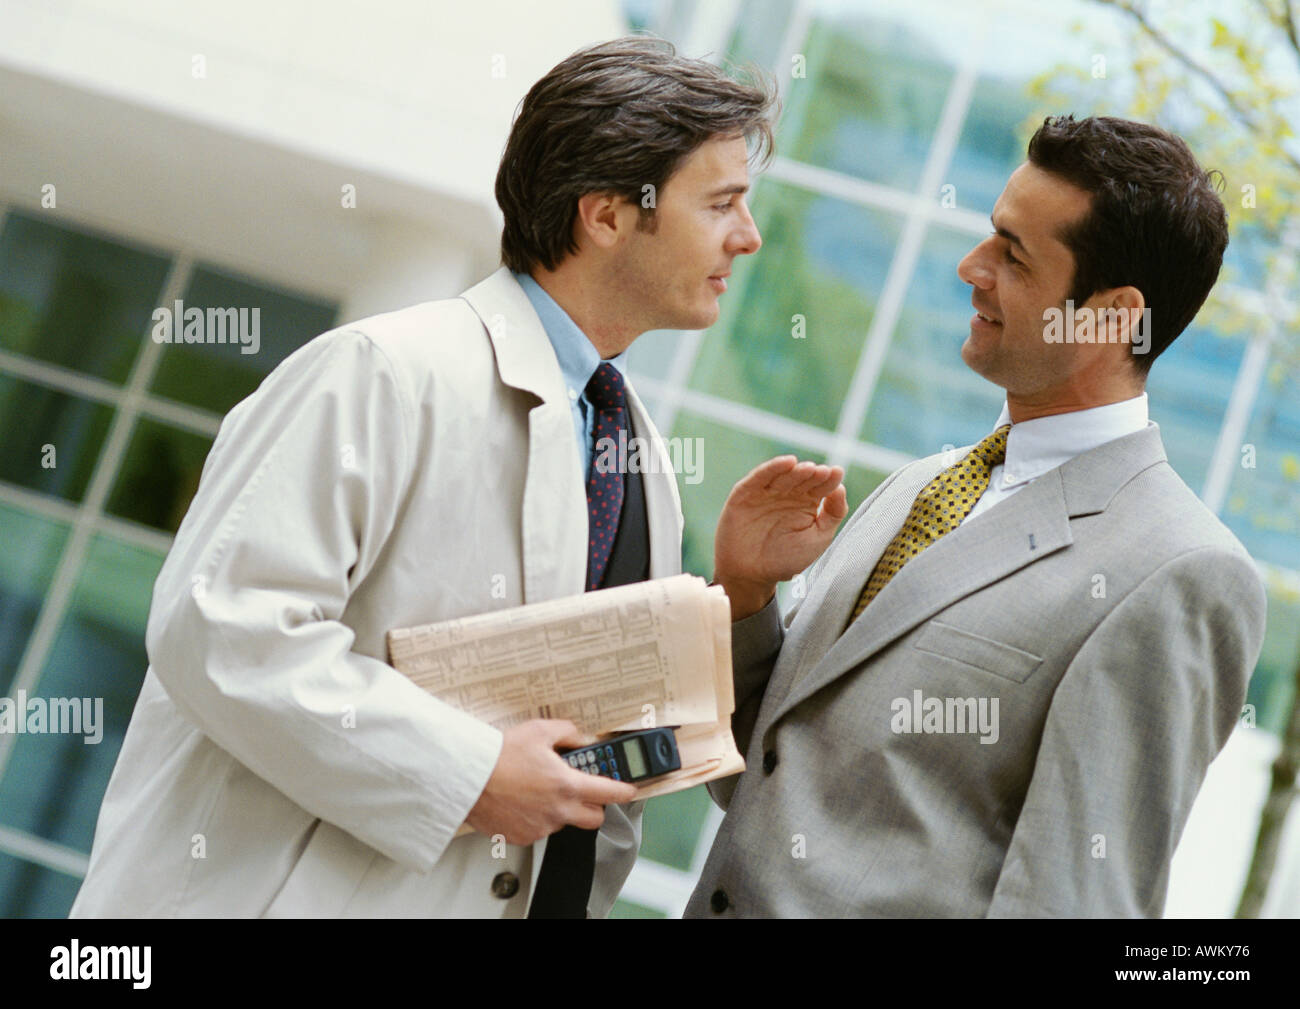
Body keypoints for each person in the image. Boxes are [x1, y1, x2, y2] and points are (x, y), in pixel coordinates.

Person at [70, 36, 771, 919]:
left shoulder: (641, 463)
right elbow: (222, 628)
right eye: (722, 204)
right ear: (606, 214)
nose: (747, 237)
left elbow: (605, 776)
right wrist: (469, 773)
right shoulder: (379, 372)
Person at [685, 115, 1267, 918]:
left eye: (1012, 255)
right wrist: (747, 593)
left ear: (1110, 314)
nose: (971, 267)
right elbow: (774, 773)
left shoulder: (1180, 572)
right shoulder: (920, 486)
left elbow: (1073, 899)